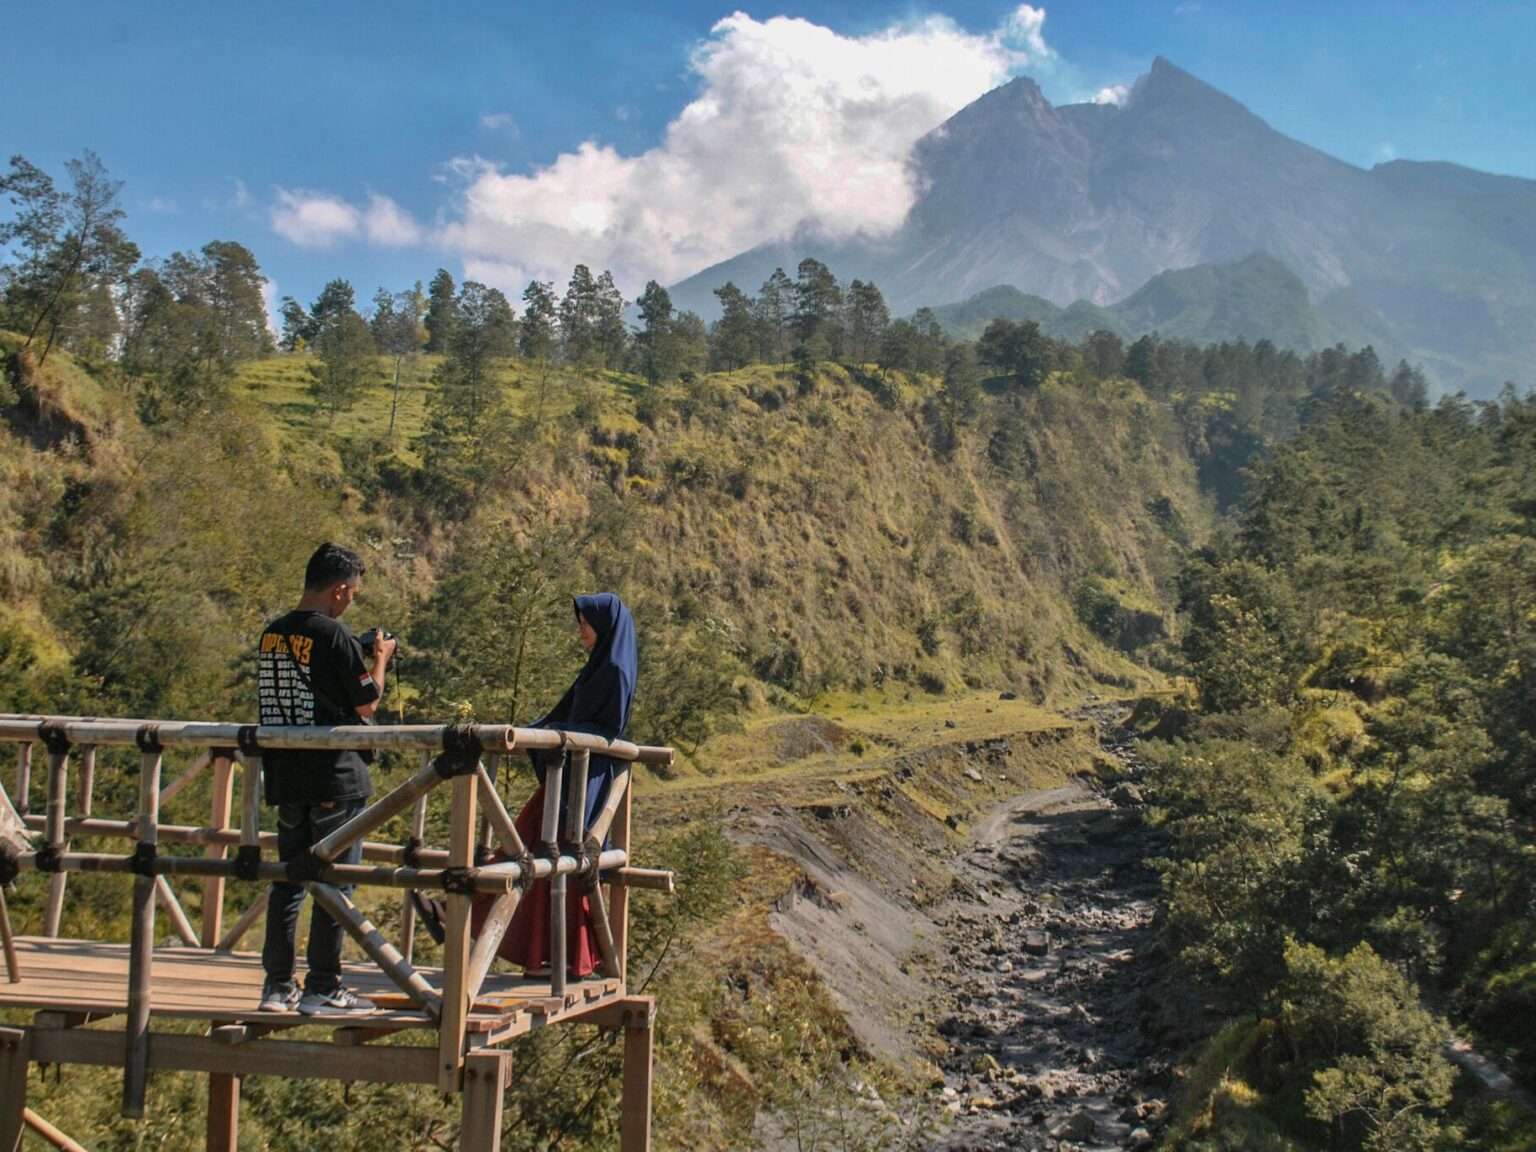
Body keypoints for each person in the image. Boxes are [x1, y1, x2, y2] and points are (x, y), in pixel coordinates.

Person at [256, 543, 396, 1015]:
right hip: (334, 777)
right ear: (339, 590)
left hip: (286, 776)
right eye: (352, 593)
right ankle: (323, 985)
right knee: (335, 884)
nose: (351, 601)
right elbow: (366, 703)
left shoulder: (272, 634)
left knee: (288, 882)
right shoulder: (335, 635)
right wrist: (379, 658)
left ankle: (277, 986)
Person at [476, 592, 636, 978]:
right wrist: (537, 734)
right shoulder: (599, 666)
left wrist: (556, 735)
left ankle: (470, 919)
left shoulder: (612, 669)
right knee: (535, 847)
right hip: (571, 772)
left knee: (546, 850)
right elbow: (561, 715)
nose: (580, 630)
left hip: (587, 776)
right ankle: (539, 952)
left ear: (603, 626)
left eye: (584, 623)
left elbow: (606, 729)